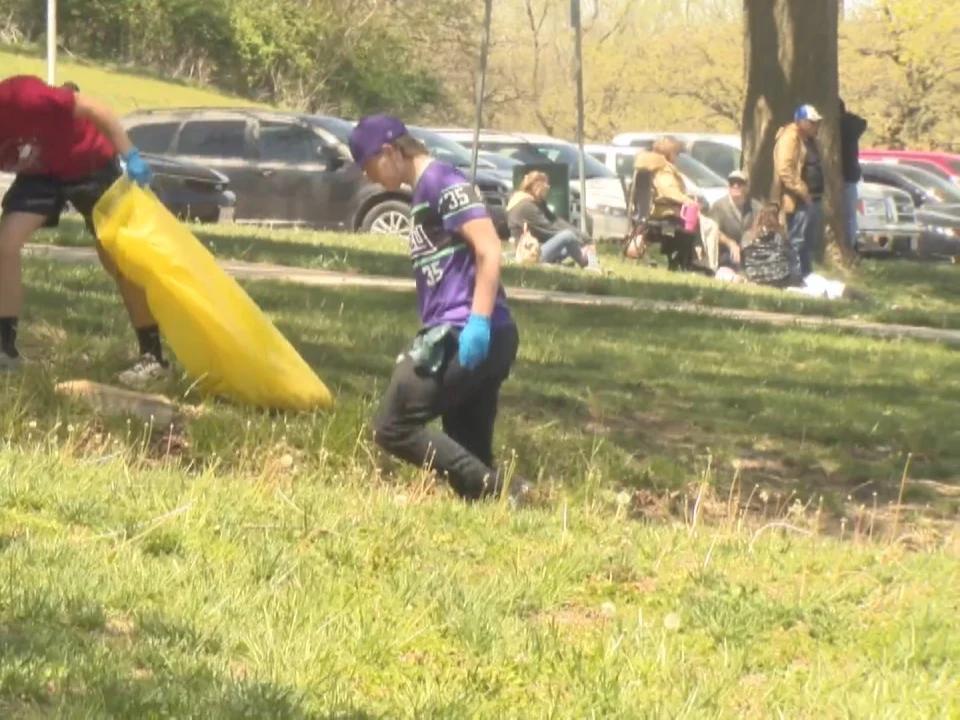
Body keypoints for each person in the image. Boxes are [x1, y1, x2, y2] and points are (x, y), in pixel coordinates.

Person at [348, 114, 524, 502]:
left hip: (467, 331)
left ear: (391, 151)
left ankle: (506, 491)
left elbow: (489, 249)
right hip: (468, 331)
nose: (369, 177)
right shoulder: (423, 192)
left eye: (368, 165)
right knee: (470, 470)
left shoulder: (443, 182)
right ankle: (501, 499)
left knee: (393, 426)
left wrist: (478, 322)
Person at [0, 74, 167, 385]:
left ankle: (153, 356)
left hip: (88, 159)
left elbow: (93, 107)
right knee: (6, 244)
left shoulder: (21, 95)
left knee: (117, 258)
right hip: (40, 173)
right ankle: (5, 350)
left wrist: (130, 154)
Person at [506, 171, 600, 271]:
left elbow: (556, 221)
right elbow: (550, 228)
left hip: (538, 247)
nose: (548, 188)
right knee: (568, 237)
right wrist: (584, 241)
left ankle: (589, 261)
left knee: (572, 243)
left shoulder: (535, 202)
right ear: (537, 186)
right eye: (545, 185)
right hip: (530, 254)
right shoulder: (525, 206)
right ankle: (588, 265)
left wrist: (584, 237)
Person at [633, 137, 703, 271]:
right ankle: (690, 262)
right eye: (676, 153)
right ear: (670, 153)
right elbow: (668, 191)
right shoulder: (663, 169)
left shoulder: (648, 166)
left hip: (649, 212)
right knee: (699, 225)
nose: (677, 157)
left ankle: (685, 261)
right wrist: (689, 201)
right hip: (664, 212)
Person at [773, 104, 824, 278]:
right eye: (812, 122)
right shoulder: (790, 137)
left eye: (817, 122)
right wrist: (802, 190)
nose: (816, 126)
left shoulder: (809, 139)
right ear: (801, 121)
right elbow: (784, 169)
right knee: (797, 239)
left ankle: (807, 275)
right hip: (798, 200)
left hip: (814, 199)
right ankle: (793, 275)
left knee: (808, 241)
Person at [707, 170, 762, 269]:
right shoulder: (719, 206)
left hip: (749, 251)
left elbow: (762, 227)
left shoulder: (755, 207)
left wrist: (751, 238)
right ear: (728, 186)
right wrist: (730, 243)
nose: (736, 186)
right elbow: (713, 230)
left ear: (746, 187)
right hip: (725, 252)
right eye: (732, 183)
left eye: (739, 183)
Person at [840, 99, 868, 251]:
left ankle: (849, 246)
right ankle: (850, 244)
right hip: (851, 174)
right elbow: (862, 122)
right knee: (850, 216)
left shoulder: (840, 127)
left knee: (848, 215)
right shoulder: (852, 126)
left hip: (845, 174)